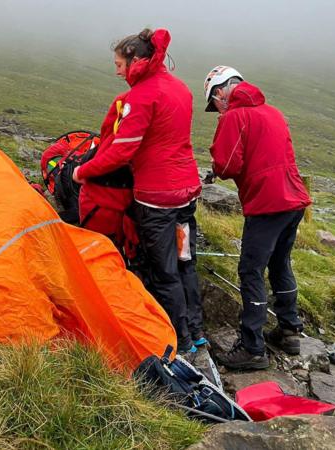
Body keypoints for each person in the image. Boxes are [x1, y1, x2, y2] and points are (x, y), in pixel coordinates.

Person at [73, 28, 204, 355]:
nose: (117, 71)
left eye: (119, 64)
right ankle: (197, 330)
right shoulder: (180, 88)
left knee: (164, 270)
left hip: (157, 197)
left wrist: (82, 171)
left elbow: (121, 150)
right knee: (185, 260)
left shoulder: (142, 96)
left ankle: (181, 342)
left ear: (136, 61)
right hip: (186, 191)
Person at [203, 66, 312, 370]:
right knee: (280, 263)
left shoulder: (233, 117)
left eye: (214, 103)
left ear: (221, 91)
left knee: (251, 270)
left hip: (267, 203)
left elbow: (228, 165)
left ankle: (252, 347)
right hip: (293, 198)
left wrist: (216, 166)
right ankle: (289, 330)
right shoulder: (273, 112)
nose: (217, 109)